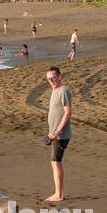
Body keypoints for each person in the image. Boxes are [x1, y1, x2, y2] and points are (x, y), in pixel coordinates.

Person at [44, 67, 71, 204]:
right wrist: (51, 132)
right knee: (54, 162)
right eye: (49, 78)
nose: (51, 80)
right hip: (54, 134)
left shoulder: (64, 90)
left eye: (53, 77)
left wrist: (58, 131)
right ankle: (57, 192)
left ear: (60, 76)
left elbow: (67, 113)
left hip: (61, 135)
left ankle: (59, 194)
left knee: (56, 162)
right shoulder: (54, 90)